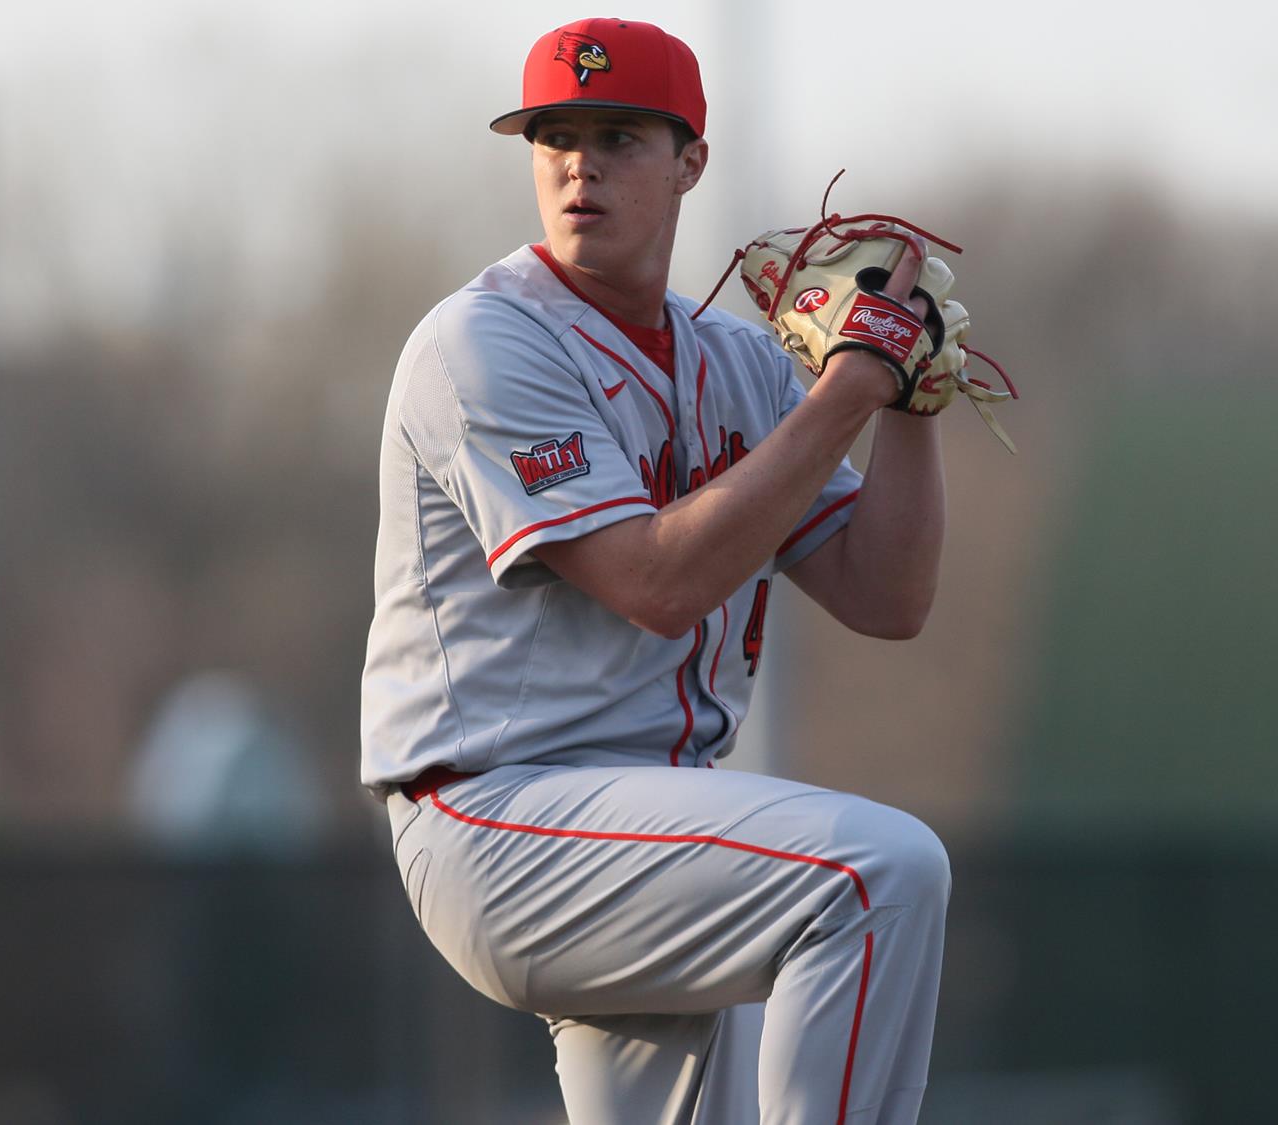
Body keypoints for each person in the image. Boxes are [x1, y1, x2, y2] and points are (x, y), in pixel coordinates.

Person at [363, 17, 952, 1124]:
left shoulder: (736, 361)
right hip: (498, 817)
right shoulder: (484, 343)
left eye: (619, 135)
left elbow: (888, 597)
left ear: (691, 164)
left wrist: (910, 397)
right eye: (554, 135)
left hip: (651, 826)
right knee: (878, 876)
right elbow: (656, 585)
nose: (578, 161)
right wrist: (846, 391)